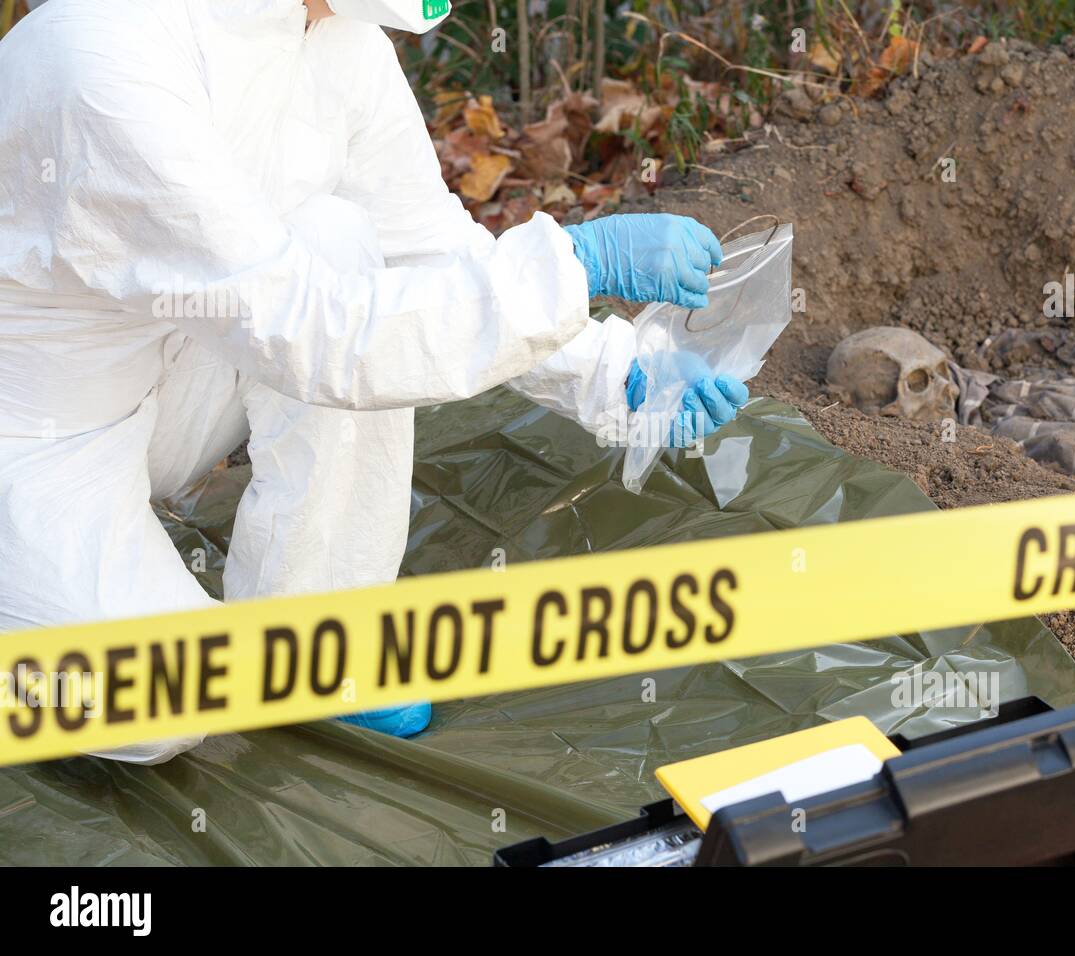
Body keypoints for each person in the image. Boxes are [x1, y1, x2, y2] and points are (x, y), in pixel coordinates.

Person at [0, 0, 748, 762]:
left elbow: (421, 250)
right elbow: (321, 331)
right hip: (37, 433)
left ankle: (313, 638)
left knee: (341, 238)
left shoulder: (335, 39)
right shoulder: (101, 55)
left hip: (182, 360)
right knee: (161, 708)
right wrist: (578, 264)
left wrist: (614, 373)